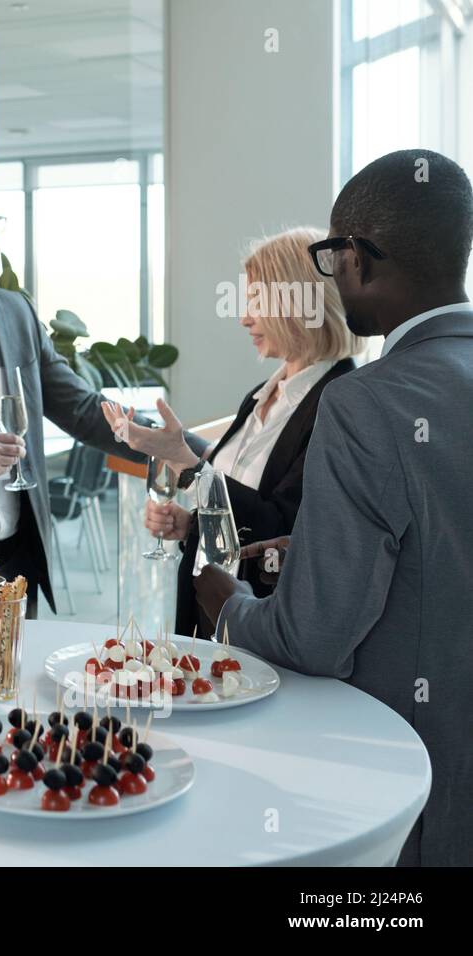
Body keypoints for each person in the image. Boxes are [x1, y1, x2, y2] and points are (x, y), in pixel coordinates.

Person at [195, 148, 473, 867]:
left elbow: (315, 635)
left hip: (408, 776)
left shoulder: (368, 401)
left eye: (331, 256)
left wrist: (225, 604)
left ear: (358, 260)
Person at [0, 157, 207, 615]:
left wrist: (185, 450)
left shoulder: (15, 313)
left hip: (14, 565)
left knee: (12, 688)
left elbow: (79, 408)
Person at [101, 227, 362, 636]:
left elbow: (284, 525)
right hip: (213, 616)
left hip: (264, 626)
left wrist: (188, 463)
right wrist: (191, 525)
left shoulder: (339, 403)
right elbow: (242, 512)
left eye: (257, 302)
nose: (244, 317)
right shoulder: (262, 393)